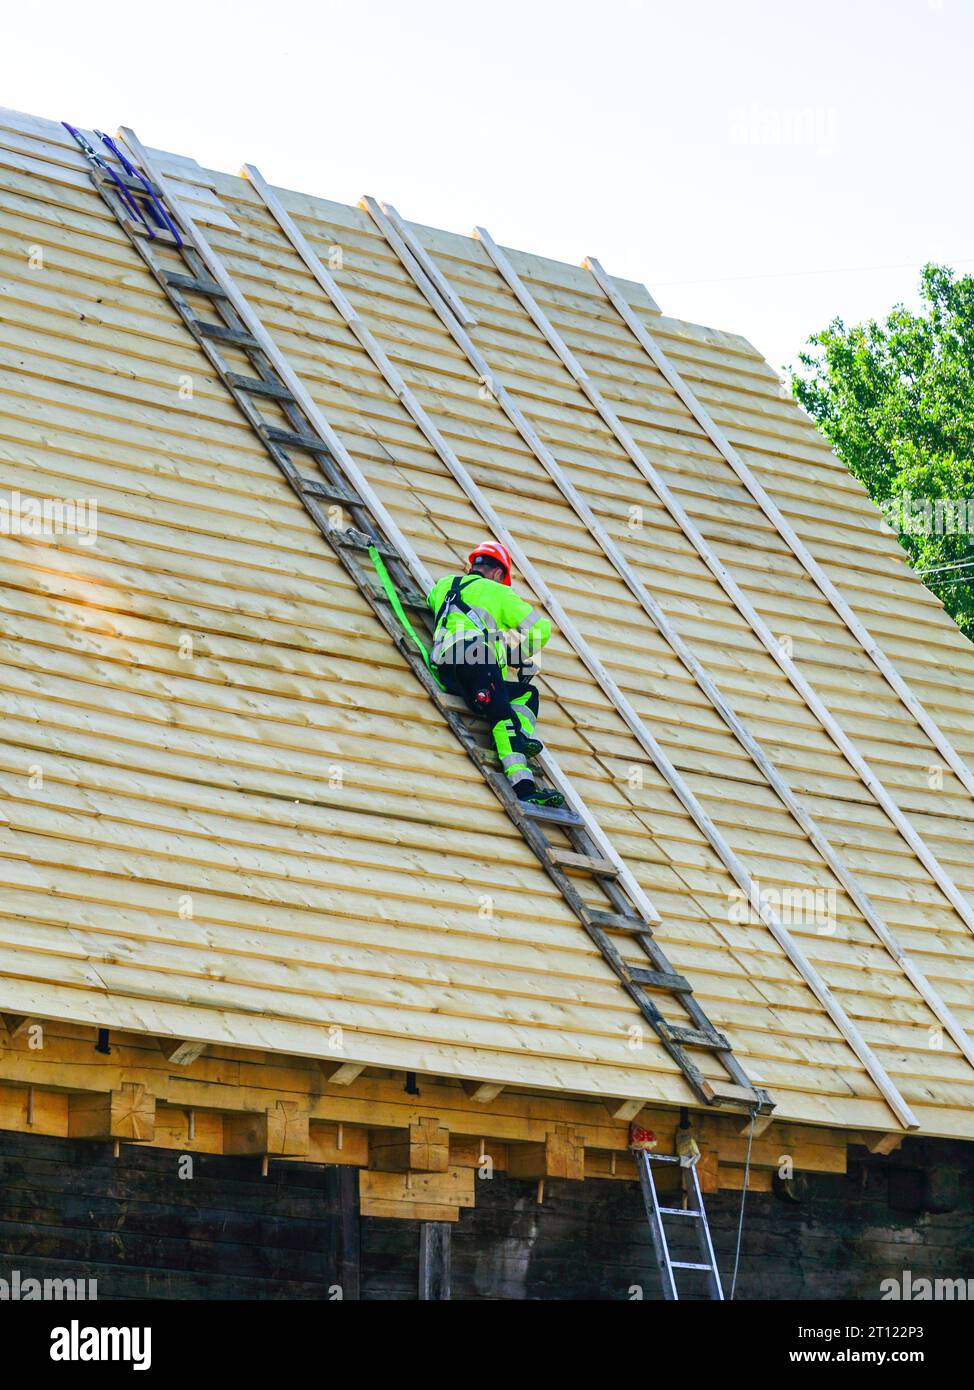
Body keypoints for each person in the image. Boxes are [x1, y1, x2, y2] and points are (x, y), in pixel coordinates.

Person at [427, 542, 564, 807]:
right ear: (499, 574)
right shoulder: (498, 592)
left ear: (475, 566)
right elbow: (541, 629)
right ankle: (524, 789)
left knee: (525, 694)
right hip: (476, 658)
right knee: (505, 717)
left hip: (447, 669)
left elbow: (437, 604)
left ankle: (519, 737)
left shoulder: (444, 585)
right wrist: (517, 655)